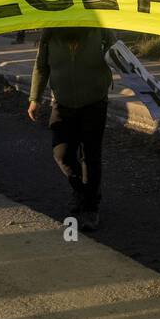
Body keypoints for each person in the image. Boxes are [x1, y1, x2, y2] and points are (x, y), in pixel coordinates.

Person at [28, 26, 115, 231]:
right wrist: (35, 98)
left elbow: (119, 57)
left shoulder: (100, 31)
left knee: (90, 157)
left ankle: (90, 208)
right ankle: (83, 191)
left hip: (94, 103)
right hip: (62, 104)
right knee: (62, 154)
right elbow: (41, 66)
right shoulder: (50, 33)